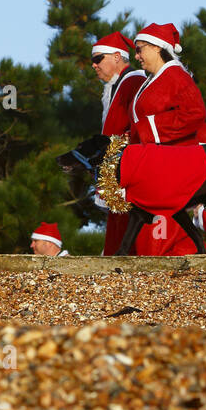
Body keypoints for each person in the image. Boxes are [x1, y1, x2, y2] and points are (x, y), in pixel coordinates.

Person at [127, 22, 206, 256]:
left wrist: (149, 128)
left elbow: (195, 113)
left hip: (171, 162)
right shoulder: (152, 79)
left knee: (164, 226)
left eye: (140, 49)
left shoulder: (176, 76)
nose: (137, 56)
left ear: (157, 47)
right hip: (152, 161)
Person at [63, 31, 147, 255]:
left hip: (127, 168)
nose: (93, 65)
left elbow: (138, 126)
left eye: (98, 58)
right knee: (117, 225)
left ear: (117, 57)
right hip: (117, 166)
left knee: (127, 225)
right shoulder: (117, 85)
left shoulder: (134, 80)